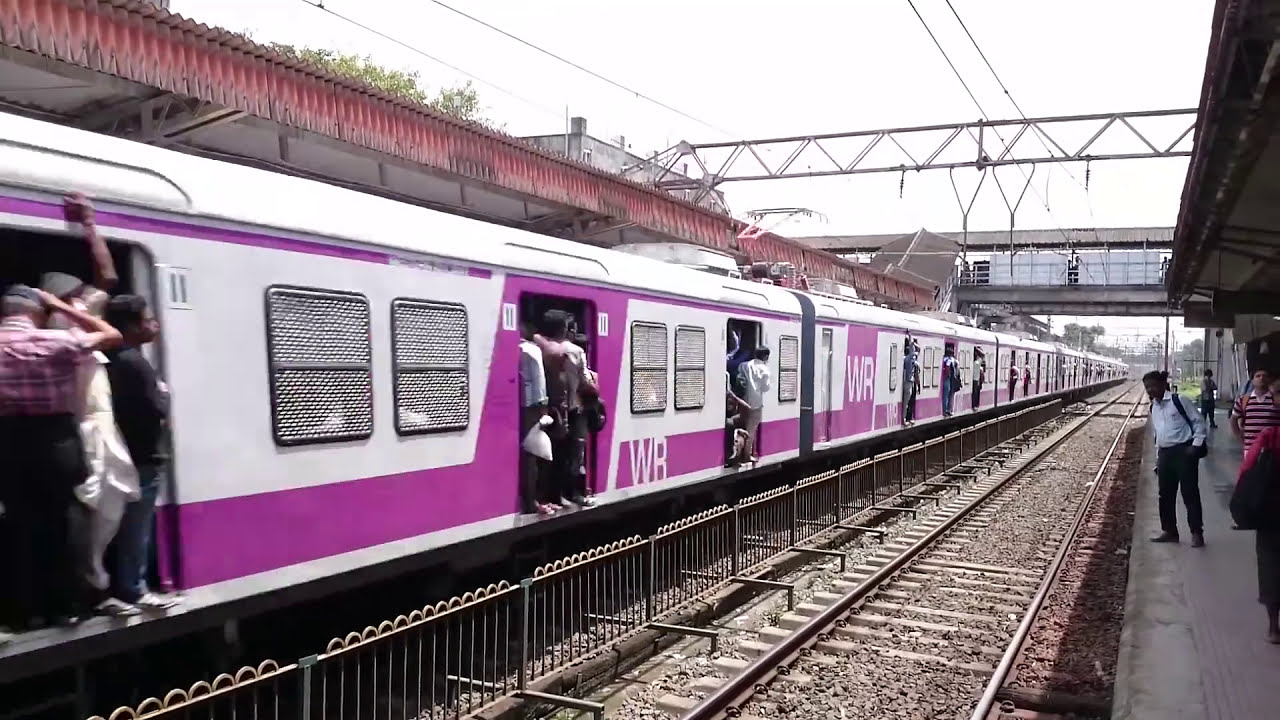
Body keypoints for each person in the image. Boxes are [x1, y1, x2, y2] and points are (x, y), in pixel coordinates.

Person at [0, 285, 122, 630]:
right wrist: (63, 308)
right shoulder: (58, 341)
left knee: (21, 523)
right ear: (38, 312)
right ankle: (66, 606)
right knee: (65, 522)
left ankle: (25, 610)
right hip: (57, 440)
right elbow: (111, 334)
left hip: (8, 440)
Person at [104, 295, 177, 611]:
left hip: (126, 453)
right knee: (138, 525)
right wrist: (164, 396)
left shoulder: (115, 358)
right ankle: (134, 588)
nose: (155, 325)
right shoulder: (135, 362)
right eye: (148, 319)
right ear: (133, 326)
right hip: (144, 456)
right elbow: (154, 409)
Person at [1144, 370, 1208, 547]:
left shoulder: (1179, 400)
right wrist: (1158, 458)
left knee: (1189, 493)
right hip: (1165, 454)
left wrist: (1195, 446)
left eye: (1153, 386)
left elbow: (1198, 422)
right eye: (1147, 387)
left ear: (1163, 384)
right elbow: (1158, 434)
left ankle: (1196, 532)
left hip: (1184, 451)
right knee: (1165, 495)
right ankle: (1170, 531)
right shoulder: (1153, 407)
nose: (1150, 390)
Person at [1237, 423, 1280, 643]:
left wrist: (1240, 502)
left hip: (1269, 511)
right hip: (1270, 514)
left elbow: (1247, 467)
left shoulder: (1269, 435)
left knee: (1270, 566)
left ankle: (1274, 627)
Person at [518, 322, 555, 516]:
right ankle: (533, 501)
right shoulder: (531, 350)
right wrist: (544, 409)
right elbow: (539, 383)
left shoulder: (513, 349)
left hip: (517, 407)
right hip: (532, 408)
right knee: (533, 455)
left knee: (526, 455)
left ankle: (528, 499)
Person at [1232, 369, 1280, 457]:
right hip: (1250, 448)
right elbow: (1234, 418)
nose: (1261, 378)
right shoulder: (1244, 400)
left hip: (1273, 450)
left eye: (1265, 376)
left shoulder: (1277, 400)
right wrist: (1238, 435)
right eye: (1258, 376)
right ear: (1252, 381)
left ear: (1269, 380)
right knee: (1250, 470)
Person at [738, 347, 772, 462]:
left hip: (742, 401)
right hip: (756, 403)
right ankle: (747, 455)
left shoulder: (744, 365)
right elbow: (766, 388)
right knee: (751, 429)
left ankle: (737, 451)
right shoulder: (765, 370)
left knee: (741, 425)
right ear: (766, 357)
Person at [941, 345, 959, 417]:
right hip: (951, 379)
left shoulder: (945, 359)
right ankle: (949, 410)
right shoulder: (952, 360)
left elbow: (947, 368)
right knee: (950, 395)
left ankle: (945, 410)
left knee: (945, 395)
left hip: (948, 378)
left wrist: (944, 377)